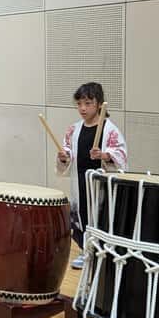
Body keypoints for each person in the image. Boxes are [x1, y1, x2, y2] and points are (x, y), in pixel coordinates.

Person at [55, 83, 127, 268]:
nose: (83, 108)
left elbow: (121, 154)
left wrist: (105, 155)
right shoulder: (74, 129)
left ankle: (101, 253)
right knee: (82, 216)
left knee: (100, 215)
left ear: (99, 104)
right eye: (79, 104)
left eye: (88, 103)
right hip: (80, 180)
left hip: (100, 183)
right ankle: (85, 251)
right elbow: (68, 151)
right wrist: (64, 156)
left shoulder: (109, 129)